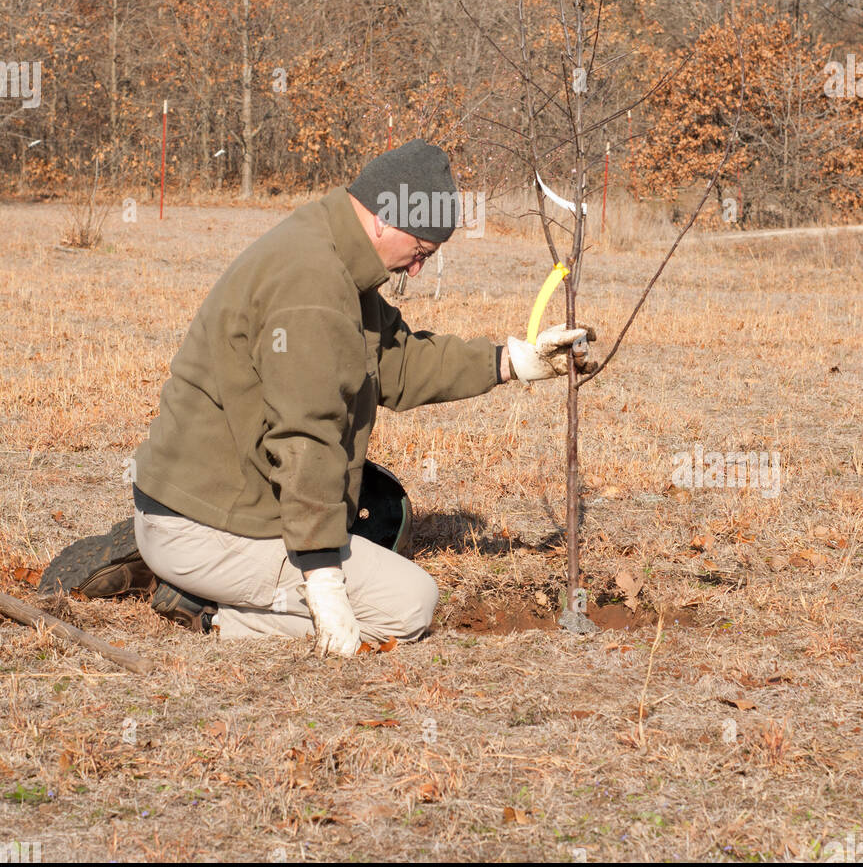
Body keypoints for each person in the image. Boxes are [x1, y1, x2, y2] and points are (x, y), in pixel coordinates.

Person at [41, 140, 597, 657]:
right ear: (384, 218)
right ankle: (204, 607)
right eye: (421, 249)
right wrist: (322, 575)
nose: (419, 266)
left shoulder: (332, 249)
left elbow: (398, 361)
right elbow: (307, 435)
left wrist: (512, 362)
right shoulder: (313, 286)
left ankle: (184, 563)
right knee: (408, 606)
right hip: (201, 525)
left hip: (202, 502)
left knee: (377, 526)